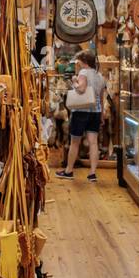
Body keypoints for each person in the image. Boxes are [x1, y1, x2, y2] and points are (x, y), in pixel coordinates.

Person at [56, 51, 107, 182]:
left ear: (83, 61)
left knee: (74, 142)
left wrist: (74, 80)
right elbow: (101, 98)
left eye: (78, 61)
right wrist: (101, 114)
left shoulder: (83, 73)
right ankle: (92, 173)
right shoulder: (99, 75)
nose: (77, 63)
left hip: (81, 111)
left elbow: (81, 89)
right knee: (93, 143)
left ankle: (69, 171)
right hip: (95, 112)